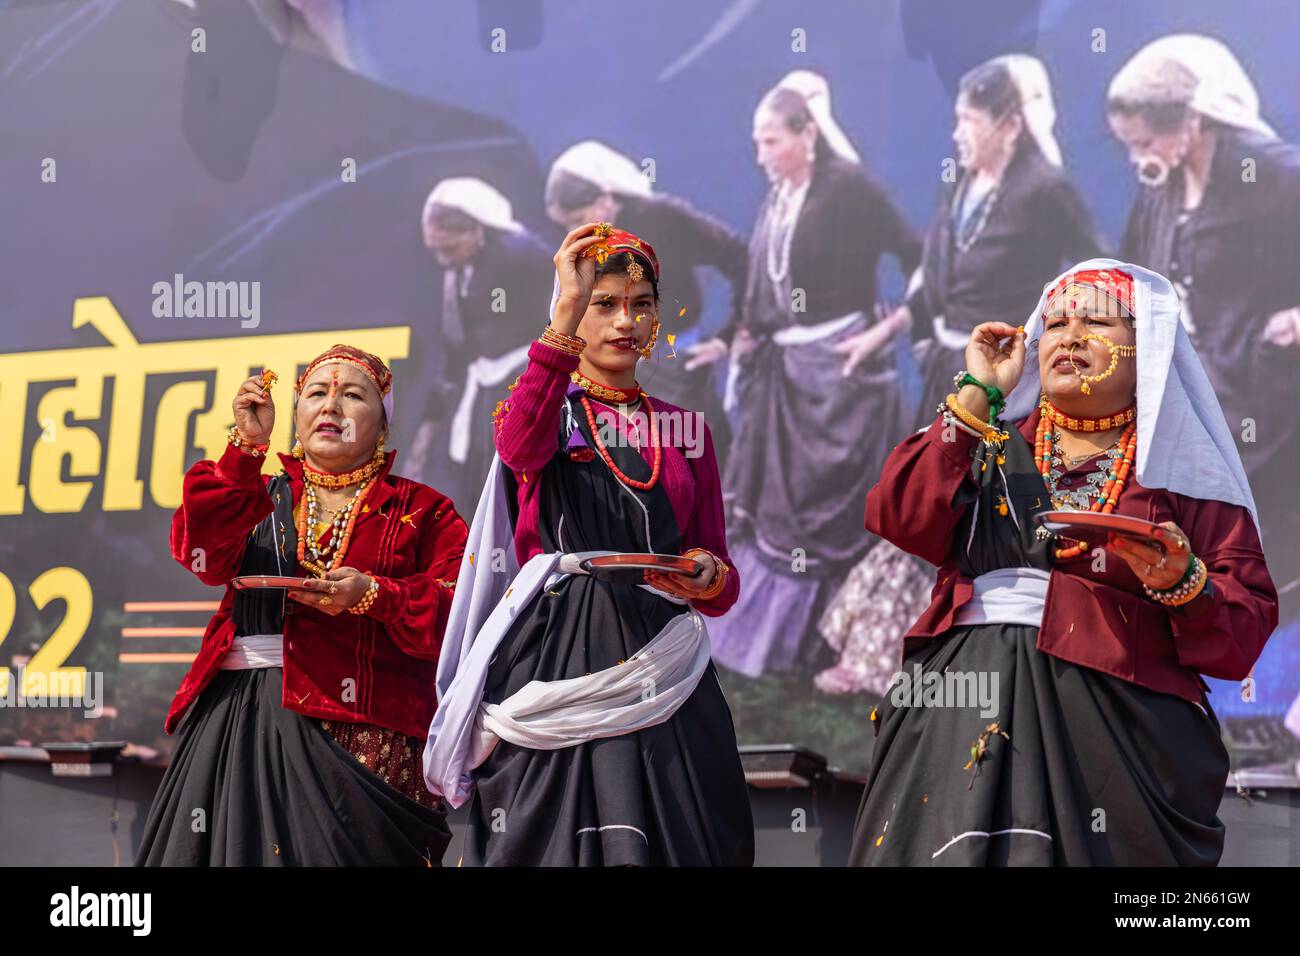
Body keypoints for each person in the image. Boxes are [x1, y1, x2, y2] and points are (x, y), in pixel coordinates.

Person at [849, 262, 1277, 866]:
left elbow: (1243, 631)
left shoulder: (1183, 475)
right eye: (1054, 323)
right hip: (958, 710)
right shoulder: (985, 439)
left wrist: (1185, 585)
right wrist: (979, 391)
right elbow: (897, 514)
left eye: (1096, 320)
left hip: (1116, 734)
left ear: (1144, 350)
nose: (1070, 335)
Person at [424, 223, 754, 866]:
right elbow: (519, 445)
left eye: (641, 304)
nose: (625, 321)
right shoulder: (546, 409)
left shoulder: (685, 428)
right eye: (605, 304)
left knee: (688, 834)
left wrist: (707, 576)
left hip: (667, 660)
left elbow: (721, 575)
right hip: (561, 650)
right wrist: (563, 319)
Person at [816, 54, 1105, 696]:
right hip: (948, 372)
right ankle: (893, 645)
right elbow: (930, 278)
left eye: (967, 121)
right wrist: (891, 336)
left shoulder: (1045, 190)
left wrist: (1047, 351)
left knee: (977, 511)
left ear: (1007, 123)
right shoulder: (961, 184)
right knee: (929, 492)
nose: (956, 135)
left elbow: (1090, 277)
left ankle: (961, 646)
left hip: (1010, 383)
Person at [136, 345, 468, 866]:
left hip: (364, 733)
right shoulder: (257, 493)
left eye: (353, 394)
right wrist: (244, 449)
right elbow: (201, 556)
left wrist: (376, 596)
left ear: (382, 425)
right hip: (241, 716)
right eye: (316, 393)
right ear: (296, 416)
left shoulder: (422, 510)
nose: (331, 406)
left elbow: (460, 609)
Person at [710, 70, 920, 679]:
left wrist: (889, 326)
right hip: (787, 376)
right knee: (780, 508)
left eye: (770, 141)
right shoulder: (780, 193)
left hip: (843, 381)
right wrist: (742, 336)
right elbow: (764, 277)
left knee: (828, 512)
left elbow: (917, 260)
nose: (760, 155)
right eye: (756, 142)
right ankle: (778, 645)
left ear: (807, 135)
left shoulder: (850, 188)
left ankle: (838, 642)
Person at [1107, 34, 1300, 619]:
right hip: (1197, 389)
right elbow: (1134, 269)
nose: (1138, 154)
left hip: (1270, 395)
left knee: (1274, 536)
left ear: (1190, 121)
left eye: (1145, 140)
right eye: (1128, 144)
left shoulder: (1265, 170)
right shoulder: (1160, 182)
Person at [546, 141, 747, 463]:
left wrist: (728, 336)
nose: (575, 231)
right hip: (608, 376)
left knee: (682, 469)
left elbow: (740, 258)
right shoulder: (589, 240)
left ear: (606, 199)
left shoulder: (664, 218)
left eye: (580, 218)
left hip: (673, 368)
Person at [407, 178, 555, 504]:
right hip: (486, 394)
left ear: (478, 230)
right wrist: (427, 430)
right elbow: (457, 354)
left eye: (448, 248)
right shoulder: (457, 272)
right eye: (435, 250)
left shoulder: (524, 256)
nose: (442, 258)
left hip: (529, 385)